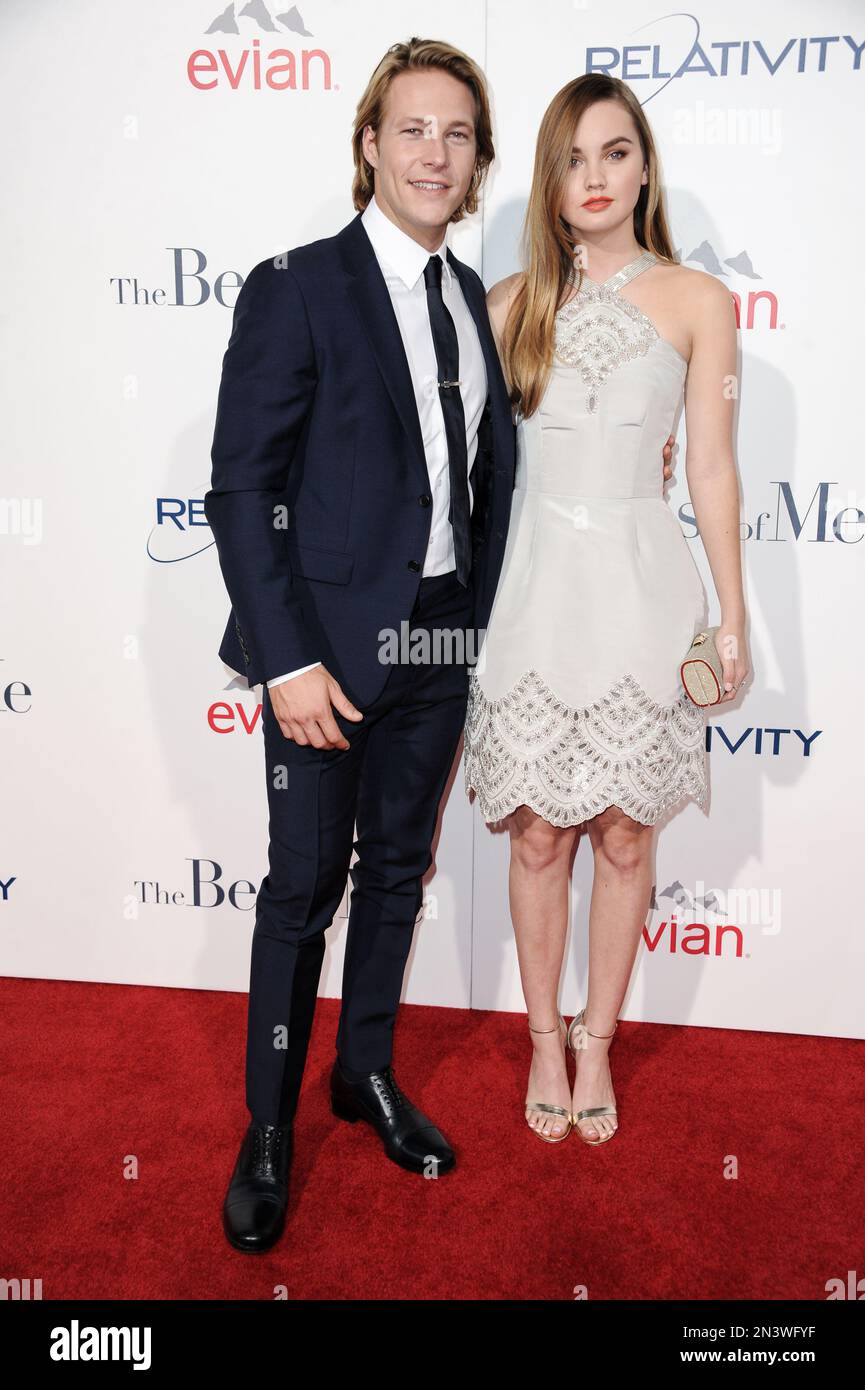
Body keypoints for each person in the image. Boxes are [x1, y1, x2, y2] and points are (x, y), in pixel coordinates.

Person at [205, 42, 675, 1253]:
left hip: (441, 643)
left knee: (399, 877)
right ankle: (267, 1130)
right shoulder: (297, 284)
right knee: (302, 891)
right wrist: (285, 659)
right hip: (320, 655)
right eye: (412, 129)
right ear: (369, 144)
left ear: (474, 161)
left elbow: (503, 474)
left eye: (457, 134)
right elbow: (241, 484)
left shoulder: (480, 298)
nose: (434, 152)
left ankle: (362, 1078)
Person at [463, 73, 750, 1146]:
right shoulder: (504, 306)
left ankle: (596, 1041)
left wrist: (729, 620)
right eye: (574, 157)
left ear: (643, 167)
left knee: (625, 838)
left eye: (615, 152)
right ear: (550, 175)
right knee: (535, 836)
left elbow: (711, 472)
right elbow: (468, 477)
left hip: (641, 586)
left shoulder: (696, 301)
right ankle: (541, 1036)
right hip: (534, 595)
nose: (595, 176)